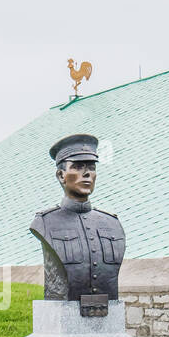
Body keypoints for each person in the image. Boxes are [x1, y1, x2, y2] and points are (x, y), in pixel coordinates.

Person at [31, 133, 125, 315]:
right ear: (61, 175)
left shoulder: (112, 223)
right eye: (78, 167)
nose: (87, 173)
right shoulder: (44, 222)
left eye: (91, 167)